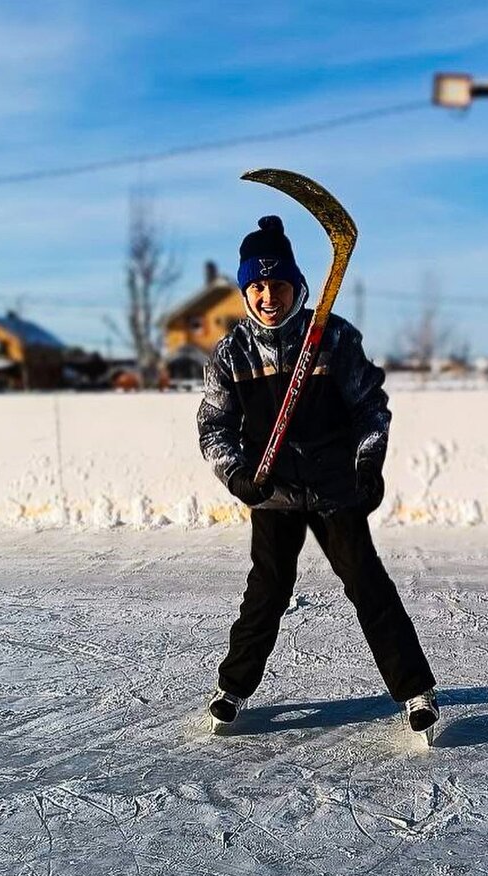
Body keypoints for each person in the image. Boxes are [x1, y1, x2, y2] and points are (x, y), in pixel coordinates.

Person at [197, 215, 439, 736]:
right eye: (256, 286)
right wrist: (238, 475)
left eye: (277, 284)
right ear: (245, 291)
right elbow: (214, 426)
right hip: (273, 492)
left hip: (335, 489)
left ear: (296, 286)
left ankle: (415, 690)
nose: (268, 297)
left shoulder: (332, 338)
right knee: (266, 592)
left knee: (367, 585)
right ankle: (233, 689)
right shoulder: (232, 354)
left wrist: (367, 462)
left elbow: (370, 408)